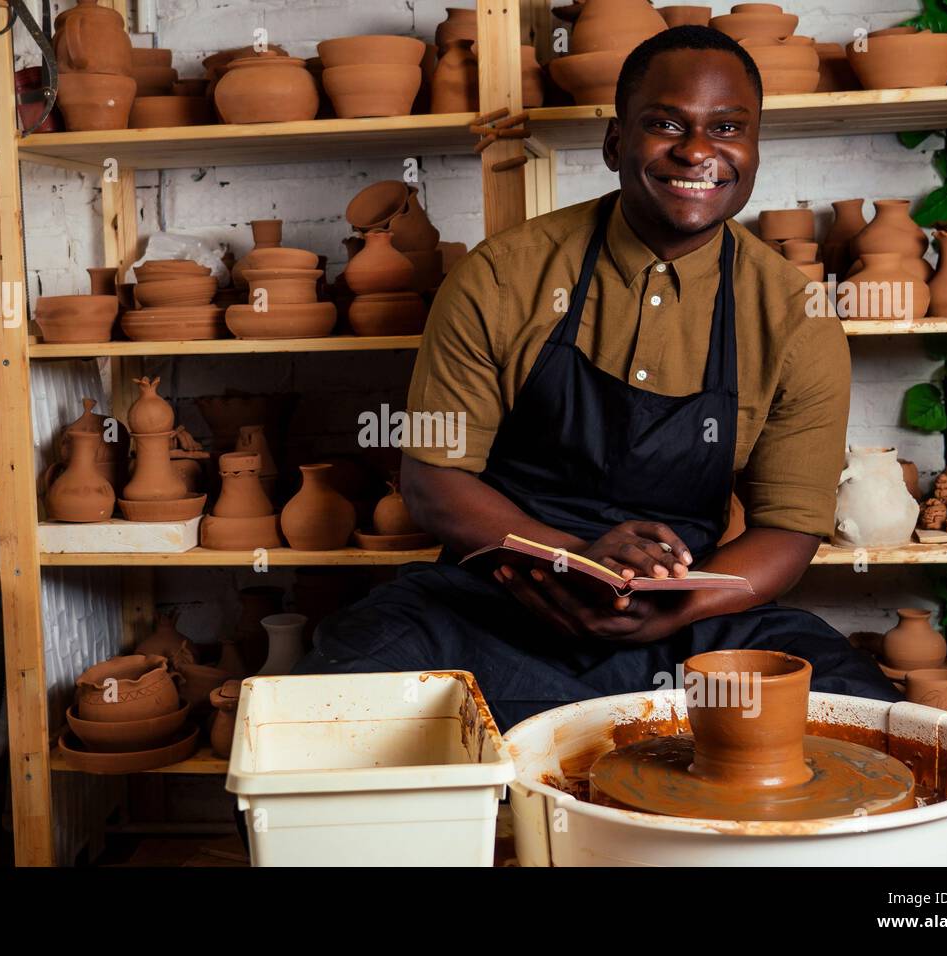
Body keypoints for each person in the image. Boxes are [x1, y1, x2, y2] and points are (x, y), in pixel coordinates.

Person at [296, 26, 899, 730]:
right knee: (327, 706)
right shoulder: (500, 276)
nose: (698, 150)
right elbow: (433, 484)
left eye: (727, 128)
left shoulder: (796, 318)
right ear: (616, 144)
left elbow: (789, 531)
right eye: (667, 124)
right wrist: (568, 555)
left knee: (872, 720)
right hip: (498, 598)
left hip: (684, 616)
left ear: (754, 149)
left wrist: (681, 604)